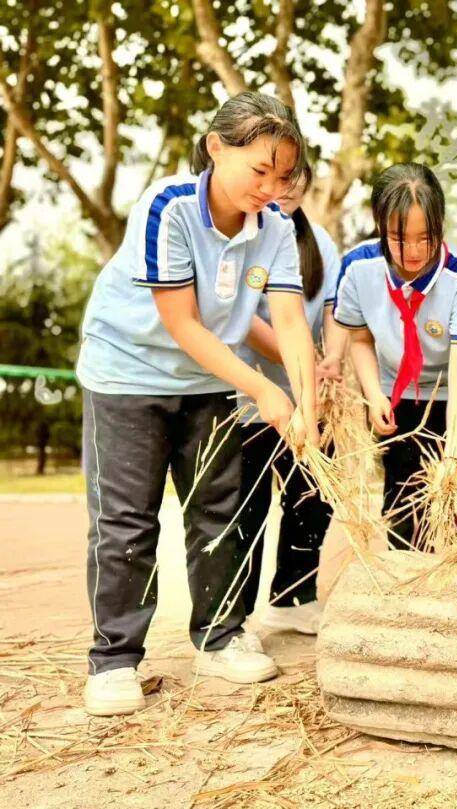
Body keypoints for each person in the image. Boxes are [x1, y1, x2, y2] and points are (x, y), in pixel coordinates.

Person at [77, 92, 319, 716]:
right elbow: (183, 323)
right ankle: (114, 659)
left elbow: (290, 323)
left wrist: (307, 408)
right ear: (217, 148)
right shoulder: (169, 207)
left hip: (207, 384)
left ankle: (221, 636)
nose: (269, 186)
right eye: (258, 170)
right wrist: (265, 389)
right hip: (127, 375)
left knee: (218, 511)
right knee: (127, 522)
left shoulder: (276, 230)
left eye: (281, 175)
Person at [323, 163, 457, 549]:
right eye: (400, 238)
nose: (415, 251)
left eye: (426, 237)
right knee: (403, 503)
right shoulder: (357, 269)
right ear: (381, 226)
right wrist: (374, 395)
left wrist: (453, 454)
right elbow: (361, 339)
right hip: (397, 392)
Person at [235, 164, 340, 637]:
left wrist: (329, 361)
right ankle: (232, 619)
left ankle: (293, 597)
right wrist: (302, 361)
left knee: (312, 500)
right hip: (248, 399)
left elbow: (335, 310)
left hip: (311, 399)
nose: (287, 189)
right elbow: (239, 319)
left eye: (297, 180)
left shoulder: (321, 242)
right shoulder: (241, 234)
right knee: (246, 509)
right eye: (279, 178)